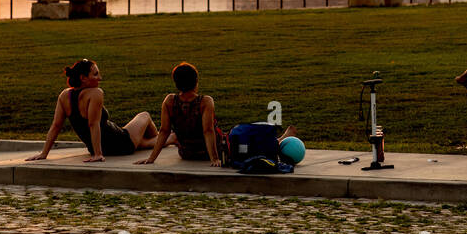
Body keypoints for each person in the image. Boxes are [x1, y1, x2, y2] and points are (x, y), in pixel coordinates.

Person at [134, 62, 300, 166]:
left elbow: (164, 131)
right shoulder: (205, 101)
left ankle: (280, 138)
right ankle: (281, 139)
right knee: (249, 140)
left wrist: (152, 158)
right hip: (214, 150)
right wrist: (214, 158)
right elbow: (208, 131)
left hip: (186, 153)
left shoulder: (169, 101)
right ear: (196, 82)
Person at [25, 58, 160, 162]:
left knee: (144, 142)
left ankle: (169, 138)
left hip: (100, 148)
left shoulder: (64, 95)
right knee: (145, 115)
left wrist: (44, 154)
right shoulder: (95, 93)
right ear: (83, 78)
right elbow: (93, 124)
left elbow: (56, 126)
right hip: (121, 142)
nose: (100, 78)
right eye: (95, 74)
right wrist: (98, 155)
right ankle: (162, 136)